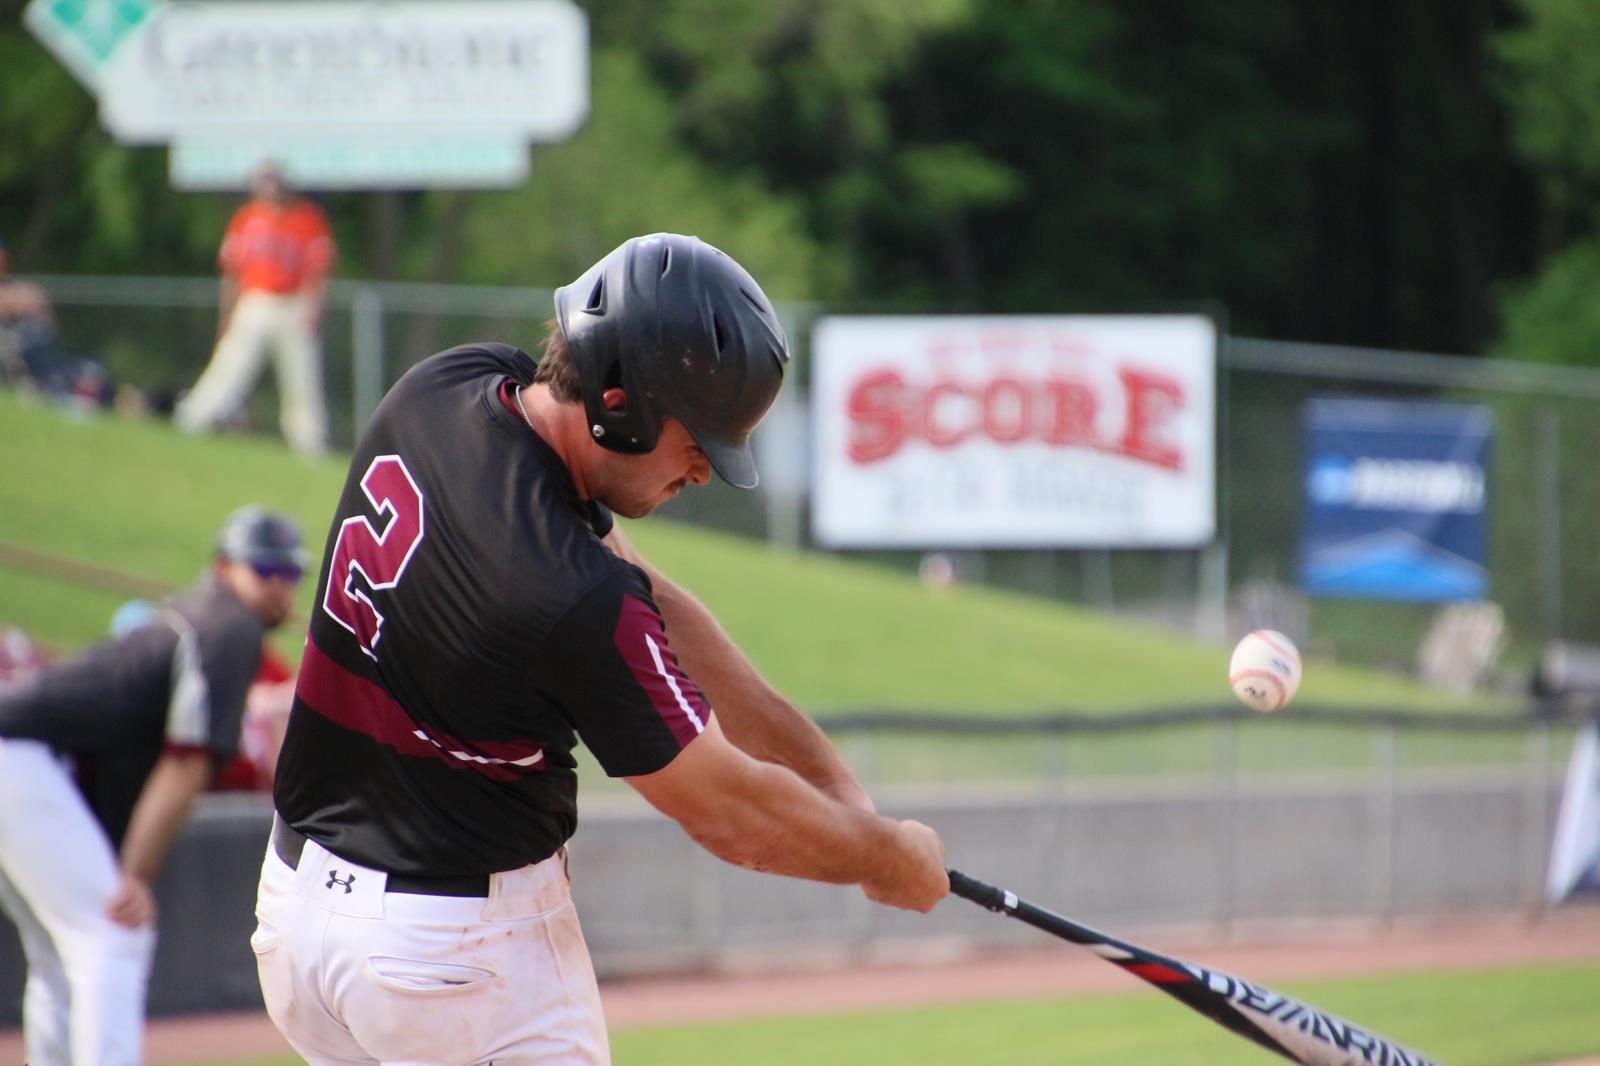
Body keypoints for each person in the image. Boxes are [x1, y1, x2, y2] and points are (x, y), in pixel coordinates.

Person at [257, 233, 949, 1065]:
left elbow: (661, 607)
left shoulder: (447, 385)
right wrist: (888, 859)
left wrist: (839, 795)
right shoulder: (572, 596)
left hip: (297, 920)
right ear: (621, 403)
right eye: (697, 442)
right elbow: (731, 814)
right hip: (449, 964)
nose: (703, 473)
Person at [0, 506, 308, 1066]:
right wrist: (135, 875)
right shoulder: (229, 625)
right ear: (224, 568)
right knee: (115, 931)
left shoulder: (195, 615)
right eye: (265, 570)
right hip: (20, 759)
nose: (279, 585)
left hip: (25, 760)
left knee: (59, 948)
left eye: (290, 573)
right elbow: (187, 762)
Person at [174, 160, 335, 457]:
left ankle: (309, 441)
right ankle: (194, 418)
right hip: (255, 301)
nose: (270, 188)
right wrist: (227, 314)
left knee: (302, 377)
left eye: (275, 181)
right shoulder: (247, 218)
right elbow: (232, 272)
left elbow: (317, 269)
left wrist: (313, 309)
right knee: (229, 366)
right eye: (265, 182)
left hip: (293, 304)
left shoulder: (306, 218)